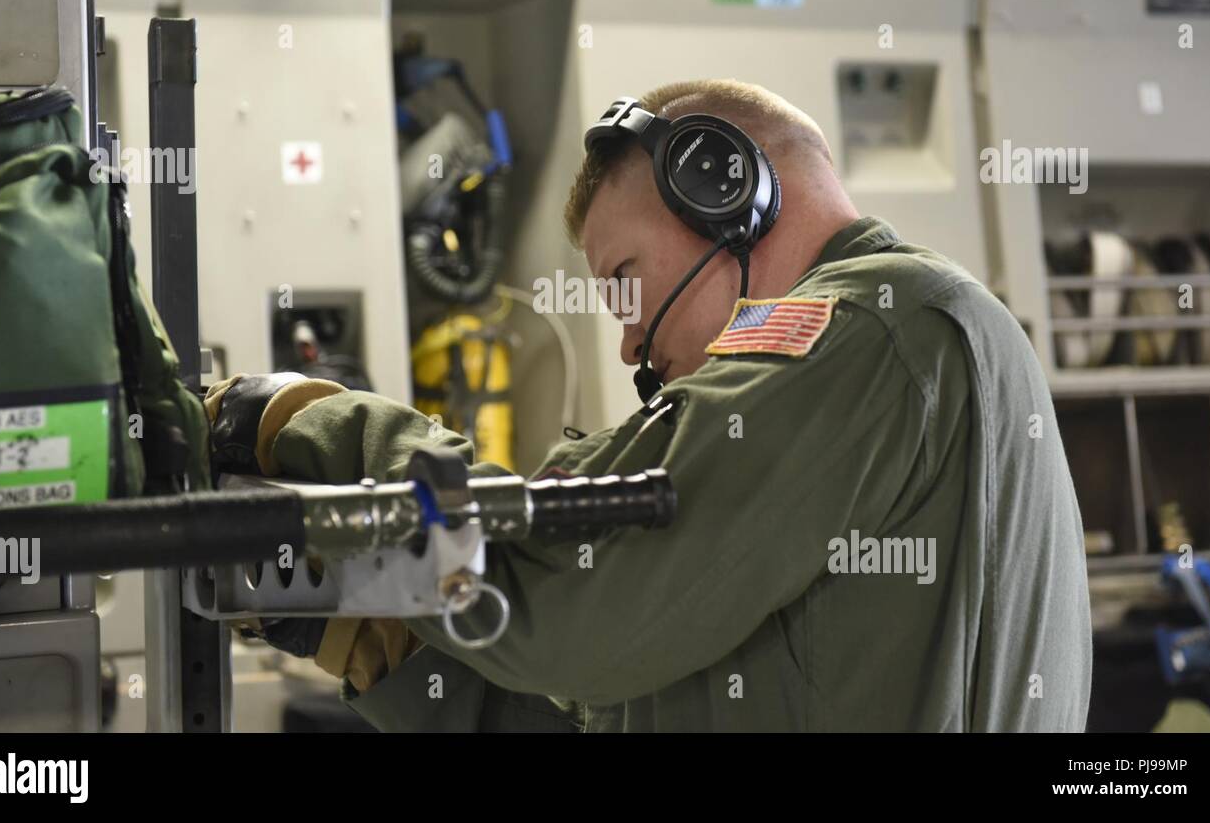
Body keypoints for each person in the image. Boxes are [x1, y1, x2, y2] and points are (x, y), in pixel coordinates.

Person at [208, 79, 1092, 732]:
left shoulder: (871, 324)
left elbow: (568, 601)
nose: (630, 342)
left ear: (725, 189)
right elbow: (620, 693)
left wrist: (307, 427)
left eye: (625, 283)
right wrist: (381, 642)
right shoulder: (895, 350)